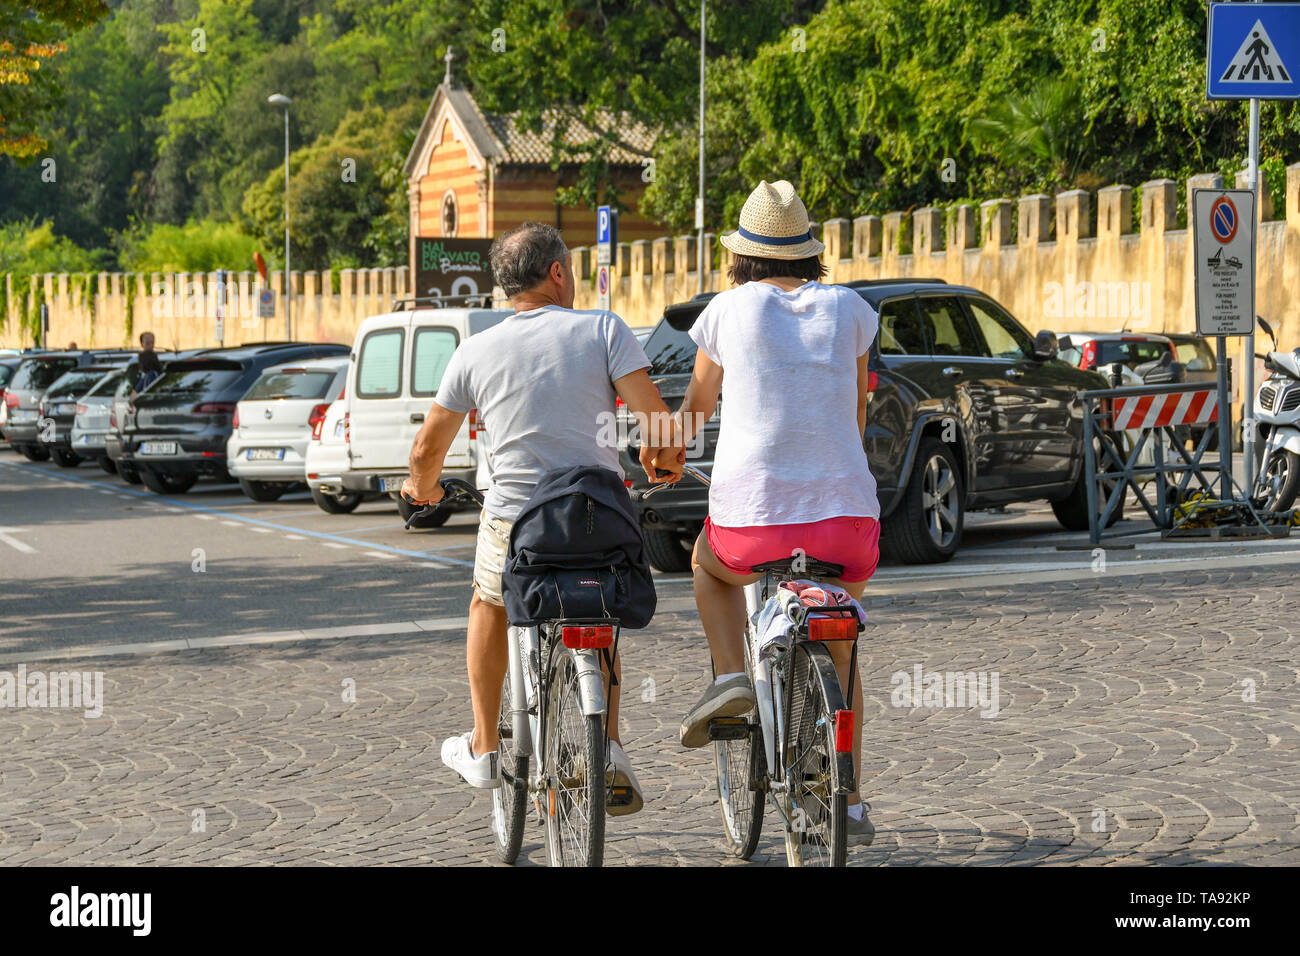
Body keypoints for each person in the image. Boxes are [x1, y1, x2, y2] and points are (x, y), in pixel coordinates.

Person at [402, 221, 679, 813]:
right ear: (556, 273)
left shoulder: (475, 350)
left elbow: (428, 449)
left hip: (515, 520)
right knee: (598, 611)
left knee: (488, 602)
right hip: (597, 515)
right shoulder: (604, 329)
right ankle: (606, 745)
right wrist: (661, 462)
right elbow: (655, 420)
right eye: (571, 269)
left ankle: (481, 744)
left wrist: (420, 490)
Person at [650, 180, 882, 845]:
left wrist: (663, 461)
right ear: (809, 252)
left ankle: (730, 677)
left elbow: (691, 415)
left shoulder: (728, 310)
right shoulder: (851, 309)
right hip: (847, 522)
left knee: (704, 563)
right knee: (842, 647)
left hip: (752, 525)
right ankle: (854, 795)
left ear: (743, 258)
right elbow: (855, 419)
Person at [132, 332, 162, 396]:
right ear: (142, 344)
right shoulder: (134, 362)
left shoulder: (151, 374)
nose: (151, 346)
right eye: (148, 343)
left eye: (152, 343)